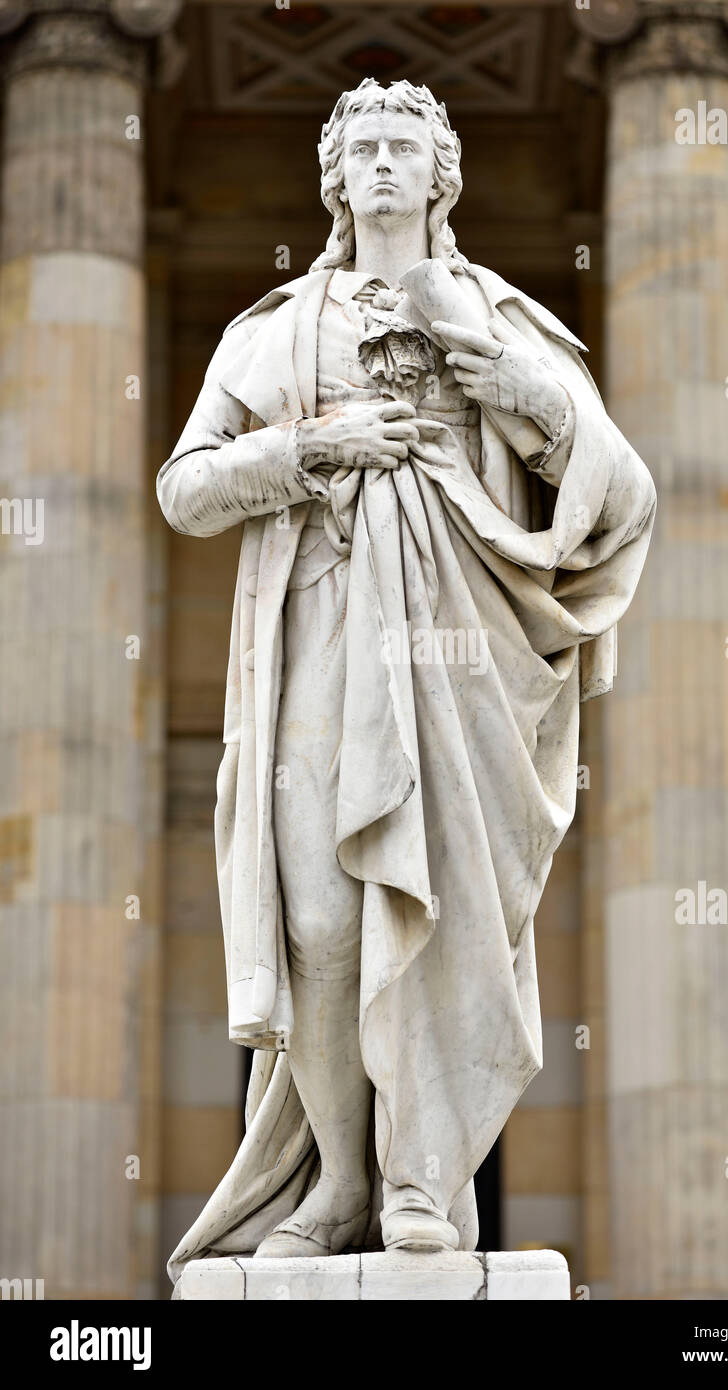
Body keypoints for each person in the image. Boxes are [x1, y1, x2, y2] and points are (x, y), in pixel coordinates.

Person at [158, 78, 656, 1280]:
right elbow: (185, 489)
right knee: (322, 917)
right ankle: (339, 1179)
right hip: (321, 634)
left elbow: (624, 490)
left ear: (444, 176)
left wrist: (517, 391)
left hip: (464, 651)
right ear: (334, 178)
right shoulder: (269, 330)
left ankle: (427, 1184)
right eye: (363, 147)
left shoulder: (505, 314)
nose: (382, 163)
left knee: (442, 921)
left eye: (405, 146)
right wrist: (311, 448)